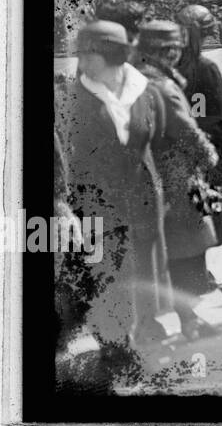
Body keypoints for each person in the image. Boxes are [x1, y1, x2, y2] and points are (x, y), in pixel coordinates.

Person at [58, 21, 170, 368]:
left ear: (110, 55)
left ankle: (135, 340)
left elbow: (157, 140)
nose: (82, 59)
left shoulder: (146, 91)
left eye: (89, 52)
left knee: (141, 277)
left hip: (142, 201)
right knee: (107, 278)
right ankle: (115, 350)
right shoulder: (71, 99)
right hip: (96, 205)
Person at [136, 21, 221, 343]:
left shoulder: (137, 78)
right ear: (158, 50)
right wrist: (209, 155)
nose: (175, 54)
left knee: (163, 249)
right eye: (170, 48)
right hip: (176, 175)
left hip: (149, 173)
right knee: (186, 249)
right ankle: (189, 320)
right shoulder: (162, 85)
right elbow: (185, 129)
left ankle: (152, 322)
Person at [176, 5, 222, 245]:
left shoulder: (173, 65)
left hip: (182, 150)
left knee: (192, 212)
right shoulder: (206, 68)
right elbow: (219, 119)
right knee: (210, 211)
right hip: (208, 149)